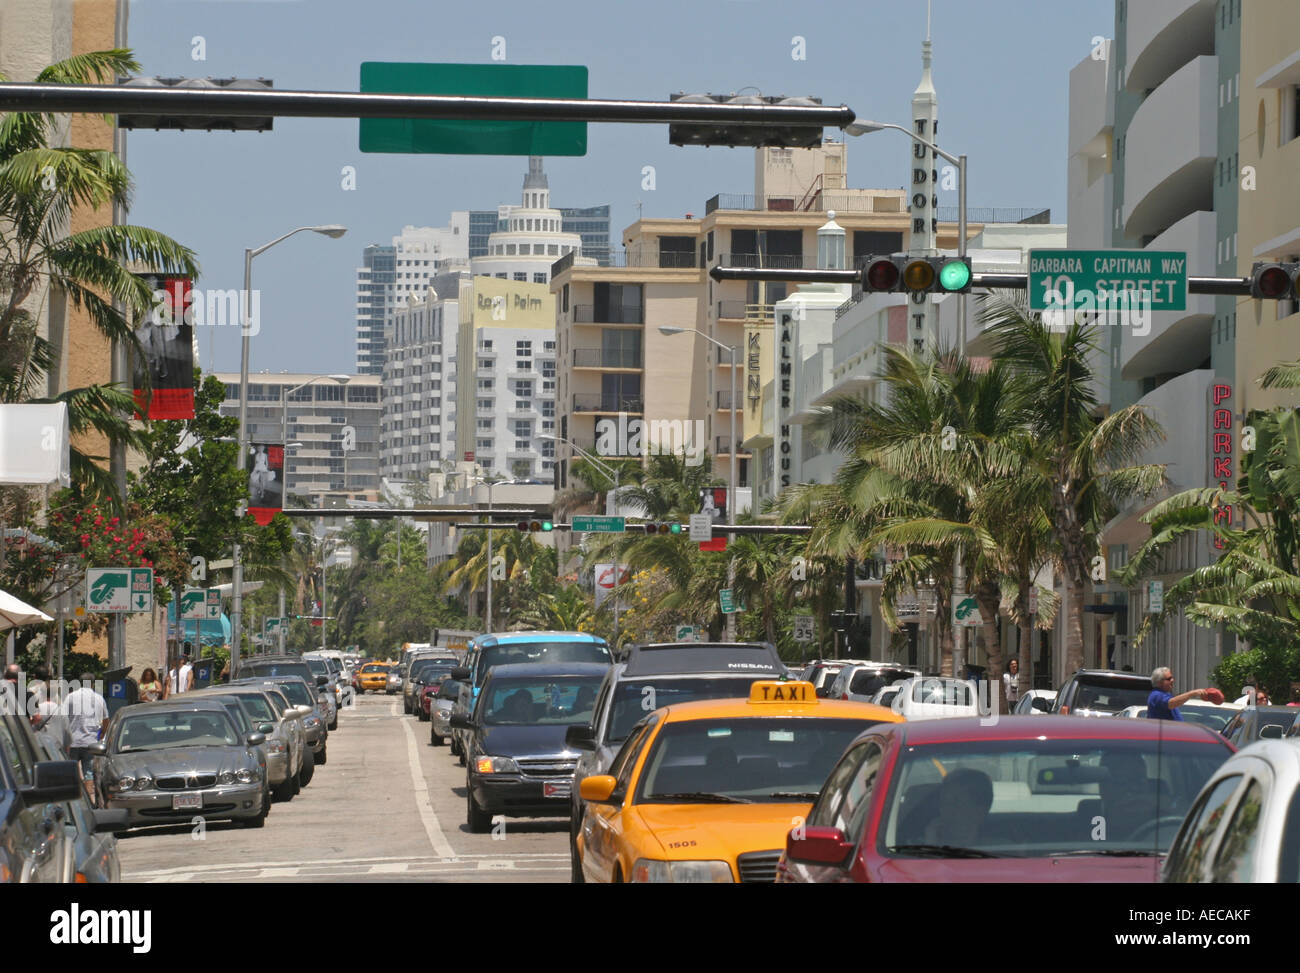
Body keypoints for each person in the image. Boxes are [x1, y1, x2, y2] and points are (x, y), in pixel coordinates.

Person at [61, 673, 108, 804]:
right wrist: (102, 734)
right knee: (89, 773)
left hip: (73, 741)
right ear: (92, 684)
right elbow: (106, 720)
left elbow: (63, 718)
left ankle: (74, 801)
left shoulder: (70, 697)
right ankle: (89, 801)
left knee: (71, 771)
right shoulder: (99, 698)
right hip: (91, 742)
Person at [922, 768, 994, 847]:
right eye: (943, 803)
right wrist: (931, 846)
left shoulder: (1000, 848)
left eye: (955, 803)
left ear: (980, 810)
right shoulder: (915, 847)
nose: (946, 809)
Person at [1146, 666, 1211, 720]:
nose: (1172, 680)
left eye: (1172, 677)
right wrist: (1192, 693)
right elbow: (1171, 703)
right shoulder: (1156, 695)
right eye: (1169, 679)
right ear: (1159, 682)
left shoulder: (1165, 694)